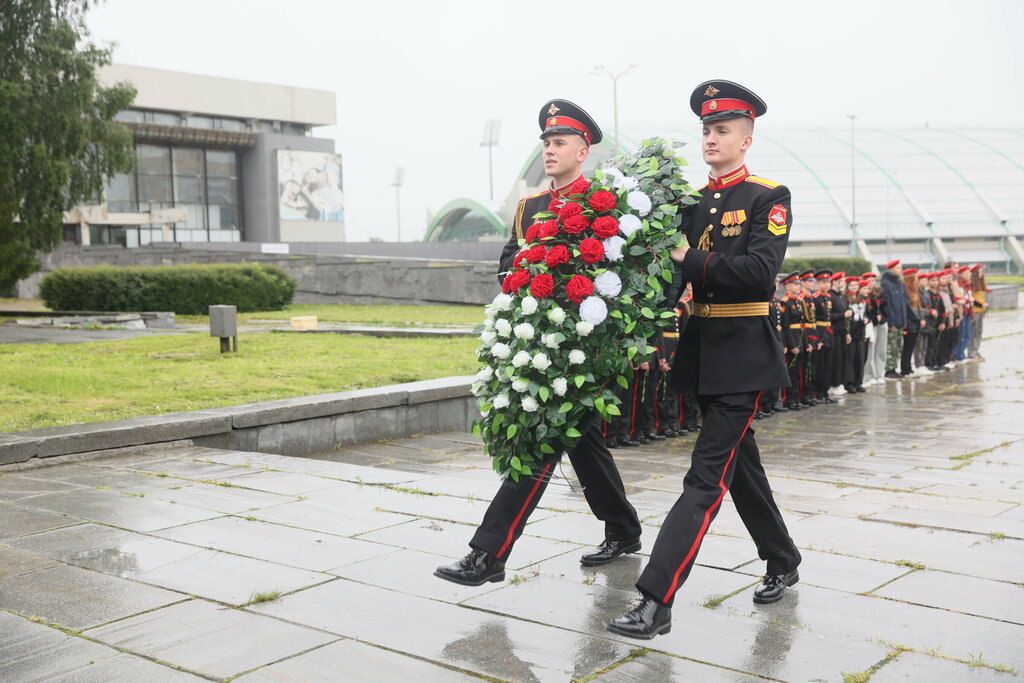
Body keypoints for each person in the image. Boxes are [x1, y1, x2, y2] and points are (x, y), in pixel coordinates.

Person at [607, 80, 801, 640]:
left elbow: (759, 273)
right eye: (706, 131)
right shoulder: (692, 202)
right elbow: (672, 278)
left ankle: (655, 598)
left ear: (746, 138)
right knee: (742, 470)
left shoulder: (769, 195)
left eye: (721, 130)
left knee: (705, 478)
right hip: (702, 355)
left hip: (744, 357)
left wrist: (688, 256)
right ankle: (782, 558)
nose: (711, 139)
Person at [435, 100, 643, 587]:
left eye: (560, 143)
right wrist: (520, 299)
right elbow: (509, 262)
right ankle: (624, 528)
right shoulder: (529, 207)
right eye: (546, 143)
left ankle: (489, 552)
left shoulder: (601, 203)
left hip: (581, 351)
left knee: (542, 440)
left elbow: (617, 276)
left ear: (583, 149)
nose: (550, 150)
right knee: (583, 442)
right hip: (536, 342)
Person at [880, 260, 907, 379]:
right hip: (893, 321)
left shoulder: (899, 283)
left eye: (900, 268)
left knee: (898, 346)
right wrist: (891, 322)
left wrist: (904, 320)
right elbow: (888, 305)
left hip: (900, 320)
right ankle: (889, 369)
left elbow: (903, 303)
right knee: (891, 346)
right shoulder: (886, 283)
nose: (900, 270)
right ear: (891, 269)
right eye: (898, 268)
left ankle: (894, 368)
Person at [900, 268, 926, 376]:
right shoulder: (905, 291)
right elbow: (908, 308)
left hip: (916, 322)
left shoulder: (914, 290)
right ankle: (904, 368)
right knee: (907, 347)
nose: (916, 280)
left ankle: (908, 367)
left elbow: (918, 307)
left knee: (911, 346)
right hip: (910, 322)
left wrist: (921, 318)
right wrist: (917, 319)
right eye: (915, 277)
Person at [969, 264, 988, 359]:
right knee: (974, 331)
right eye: (979, 272)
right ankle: (971, 352)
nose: (981, 274)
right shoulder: (971, 284)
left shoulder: (981, 284)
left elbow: (981, 297)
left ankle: (976, 350)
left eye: (982, 272)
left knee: (979, 331)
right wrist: (980, 305)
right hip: (974, 310)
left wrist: (984, 309)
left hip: (981, 311)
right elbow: (972, 299)